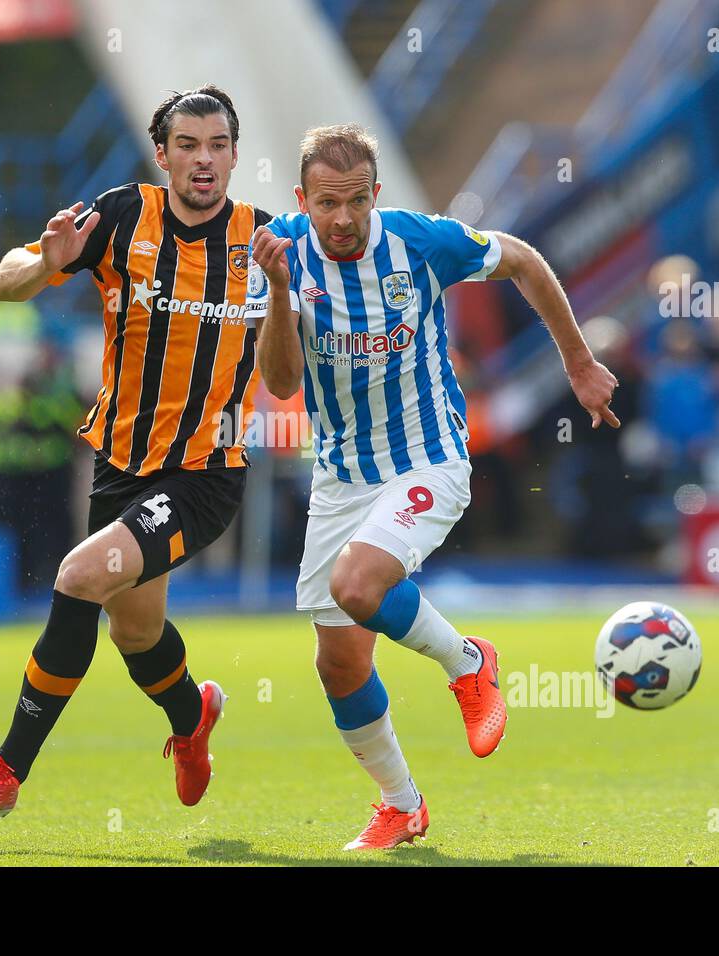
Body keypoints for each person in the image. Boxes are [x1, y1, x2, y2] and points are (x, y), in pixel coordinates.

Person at [252, 124, 619, 850]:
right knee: (339, 664)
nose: (345, 218)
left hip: (428, 459)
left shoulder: (419, 241)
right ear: (302, 199)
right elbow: (283, 382)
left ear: (375, 194)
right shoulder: (279, 252)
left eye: (358, 200)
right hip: (341, 475)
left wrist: (577, 362)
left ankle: (469, 661)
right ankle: (401, 804)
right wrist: (278, 291)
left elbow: (521, 259)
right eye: (328, 202)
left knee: (358, 586)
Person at [0, 85, 273, 818]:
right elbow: (5, 282)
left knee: (78, 574)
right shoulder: (123, 215)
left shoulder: (265, 241)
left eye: (217, 146)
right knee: (136, 631)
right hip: (121, 462)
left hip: (203, 474)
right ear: (162, 155)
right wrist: (45, 263)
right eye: (187, 145)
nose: (204, 160)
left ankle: (5, 769)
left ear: (234, 155)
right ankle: (193, 719)